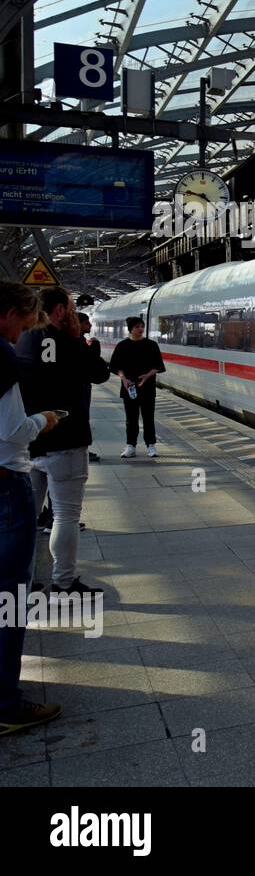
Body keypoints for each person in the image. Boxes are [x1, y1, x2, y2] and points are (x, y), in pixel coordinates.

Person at [18, 287, 111, 596]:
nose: (72, 313)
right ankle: (64, 582)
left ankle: (25, 580)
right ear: (58, 311)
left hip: (28, 440)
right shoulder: (69, 342)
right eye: (70, 307)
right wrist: (78, 340)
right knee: (66, 515)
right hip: (66, 440)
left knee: (27, 519)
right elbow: (100, 373)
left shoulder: (22, 339)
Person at [0, 282, 62, 735]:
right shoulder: (1, 354)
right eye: (23, 321)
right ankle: (6, 703)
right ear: (7, 313)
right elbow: (14, 431)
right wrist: (45, 419)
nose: (24, 333)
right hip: (6, 484)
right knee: (9, 595)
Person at [108, 317, 165, 458]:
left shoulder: (151, 345)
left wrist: (147, 376)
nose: (140, 329)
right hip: (129, 388)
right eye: (137, 327)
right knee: (131, 419)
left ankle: (151, 445)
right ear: (131, 329)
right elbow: (115, 367)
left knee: (148, 418)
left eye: (142, 326)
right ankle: (130, 446)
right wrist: (124, 378)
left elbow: (158, 366)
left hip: (148, 387)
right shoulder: (122, 346)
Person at [78, 313, 101, 464]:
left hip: (81, 387)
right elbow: (94, 367)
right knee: (82, 419)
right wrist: (94, 349)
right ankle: (82, 451)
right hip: (81, 388)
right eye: (86, 323)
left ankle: (83, 450)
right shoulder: (78, 342)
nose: (90, 326)